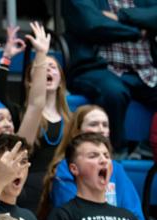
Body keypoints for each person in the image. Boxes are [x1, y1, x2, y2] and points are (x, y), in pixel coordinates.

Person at [62, 0, 157, 154]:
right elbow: (92, 24)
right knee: (113, 92)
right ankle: (115, 152)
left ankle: (148, 147)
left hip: (146, 71)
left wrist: (121, 16)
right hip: (99, 68)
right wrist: (138, 31)